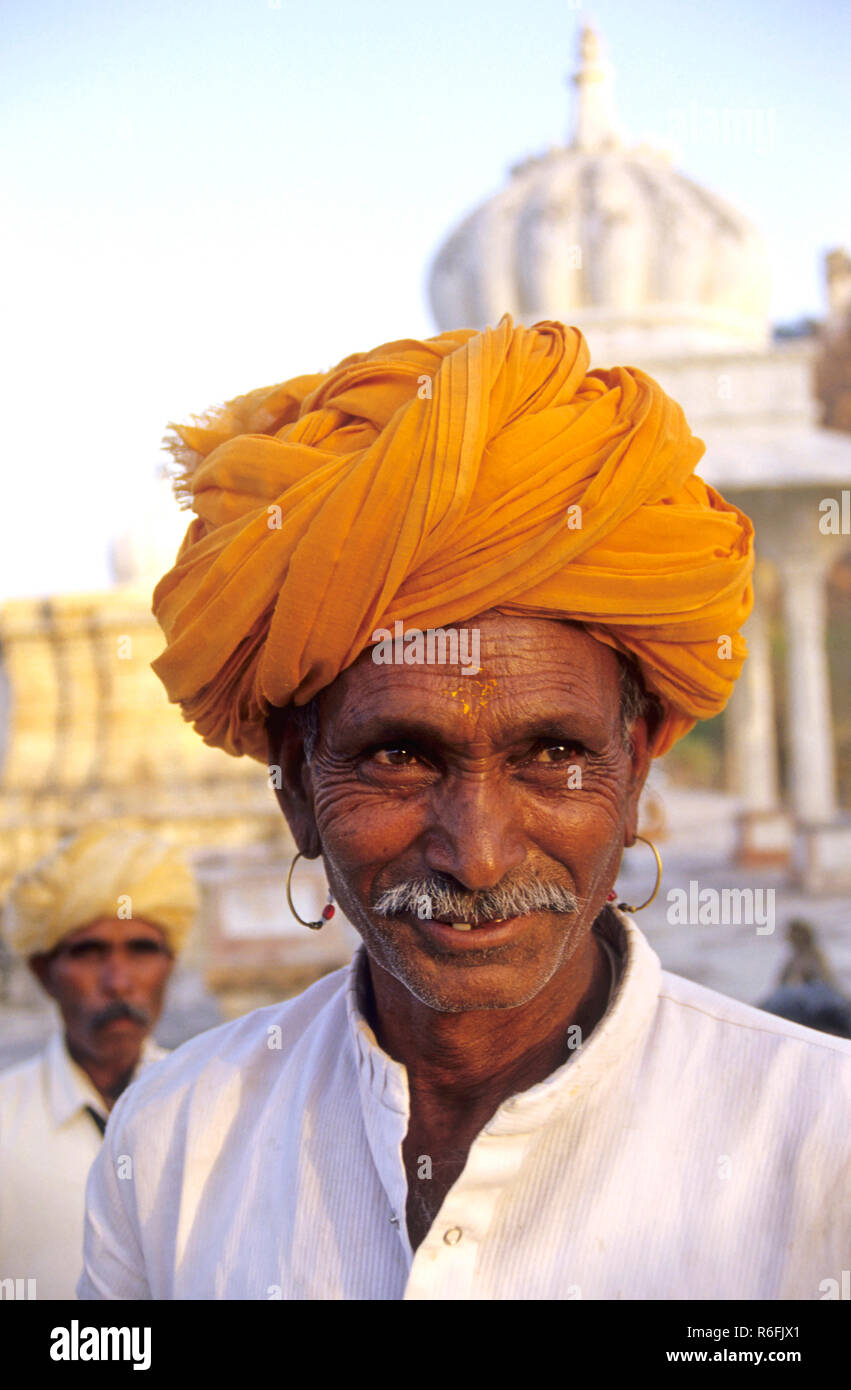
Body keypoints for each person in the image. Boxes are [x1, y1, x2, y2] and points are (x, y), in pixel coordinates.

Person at [78, 317, 850, 1300]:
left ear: (638, 769)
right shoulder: (177, 1141)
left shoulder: (822, 1143)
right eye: (398, 756)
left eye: (552, 755)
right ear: (293, 787)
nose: (477, 857)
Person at [0, 824, 197, 1298]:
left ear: (169, 964)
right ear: (45, 973)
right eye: (90, 952)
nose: (118, 981)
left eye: (141, 950)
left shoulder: (212, 1105)